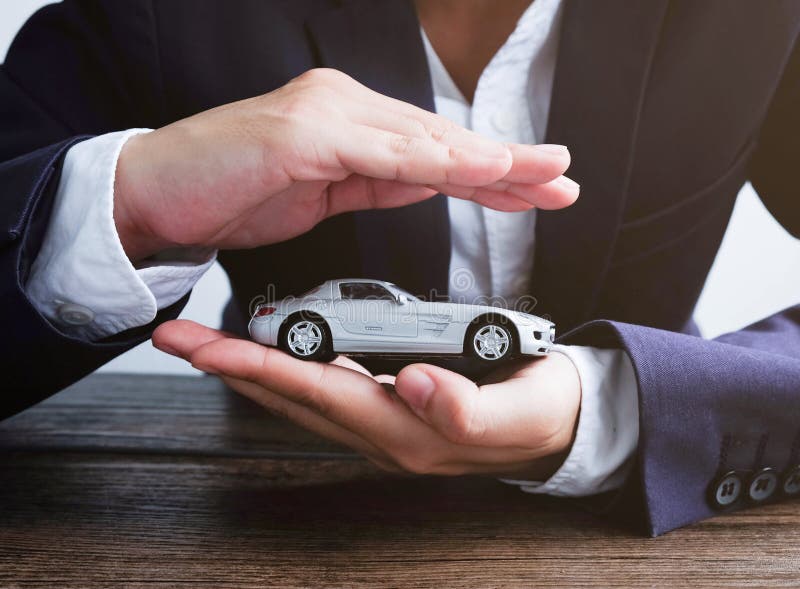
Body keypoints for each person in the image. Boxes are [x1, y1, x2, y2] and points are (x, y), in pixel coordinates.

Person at [1, 0, 798, 537]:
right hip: (265, 510)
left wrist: (621, 402)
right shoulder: (151, 16)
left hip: (658, 523)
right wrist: (132, 203)